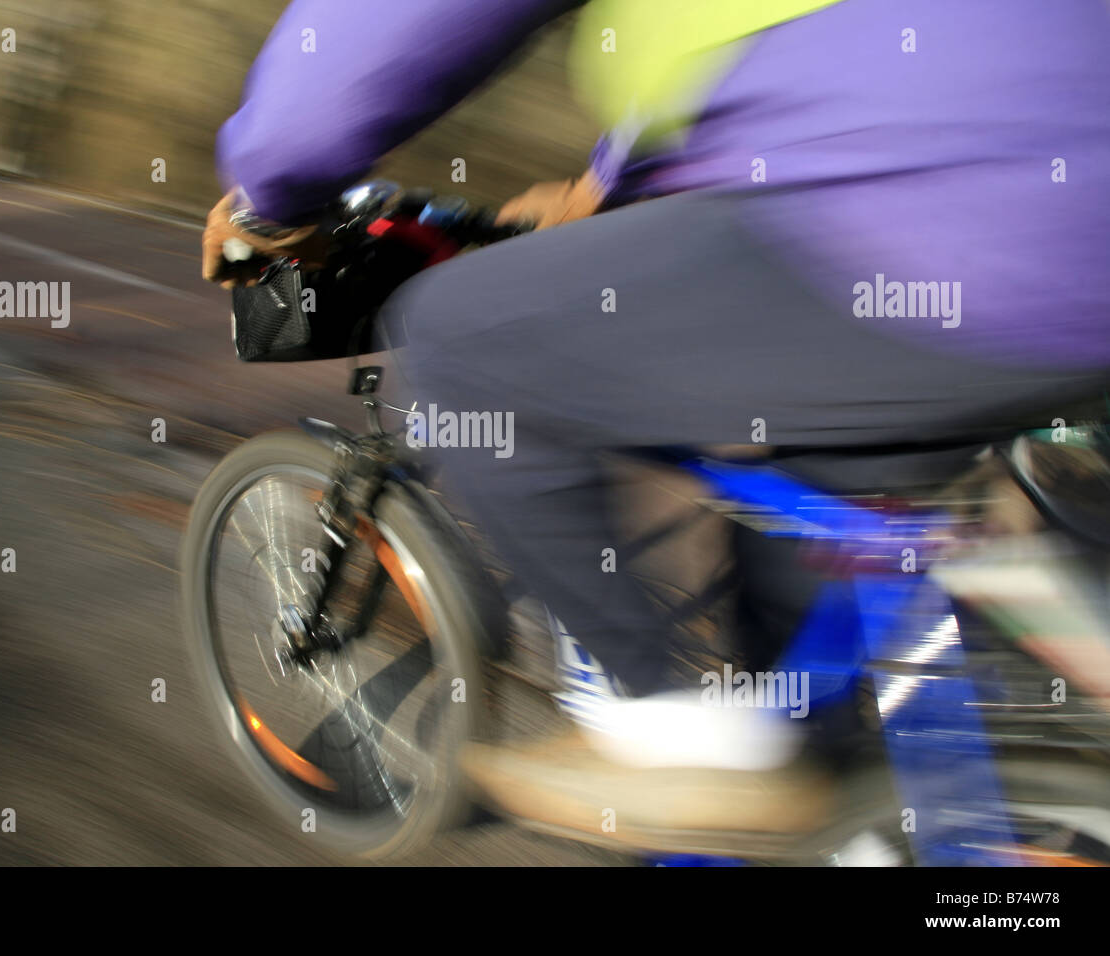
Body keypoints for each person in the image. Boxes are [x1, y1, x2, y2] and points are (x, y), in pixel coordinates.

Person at [204, 0, 1110, 832]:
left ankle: (679, 742)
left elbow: (383, 36)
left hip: (950, 217)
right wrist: (602, 186)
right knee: (800, 578)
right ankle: (824, 783)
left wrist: (268, 195)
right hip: (1051, 199)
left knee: (463, 341)